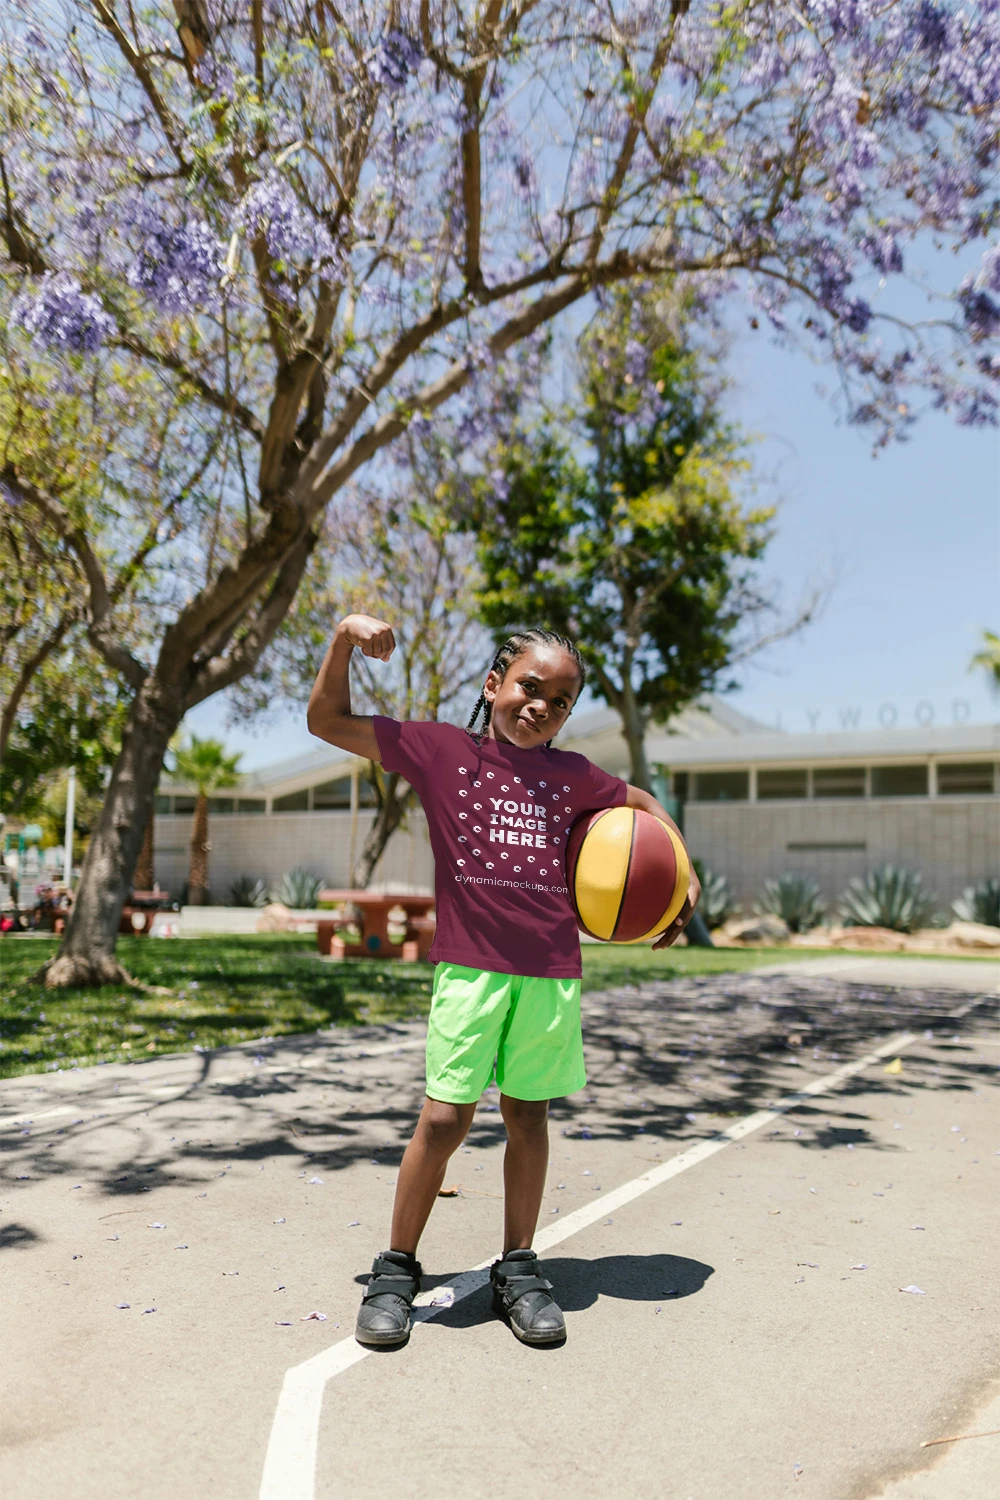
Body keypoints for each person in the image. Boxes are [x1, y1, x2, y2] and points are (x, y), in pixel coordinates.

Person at [307, 613, 700, 1348]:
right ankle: (397, 1268)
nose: (542, 706)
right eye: (529, 686)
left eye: (560, 699)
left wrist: (682, 875)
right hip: (470, 970)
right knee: (444, 1119)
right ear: (494, 685)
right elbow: (326, 719)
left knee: (528, 1118)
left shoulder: (577, 777)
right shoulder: (441, 750)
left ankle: (517, 1267)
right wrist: (341, 639)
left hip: (549, 974)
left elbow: (643, 807)